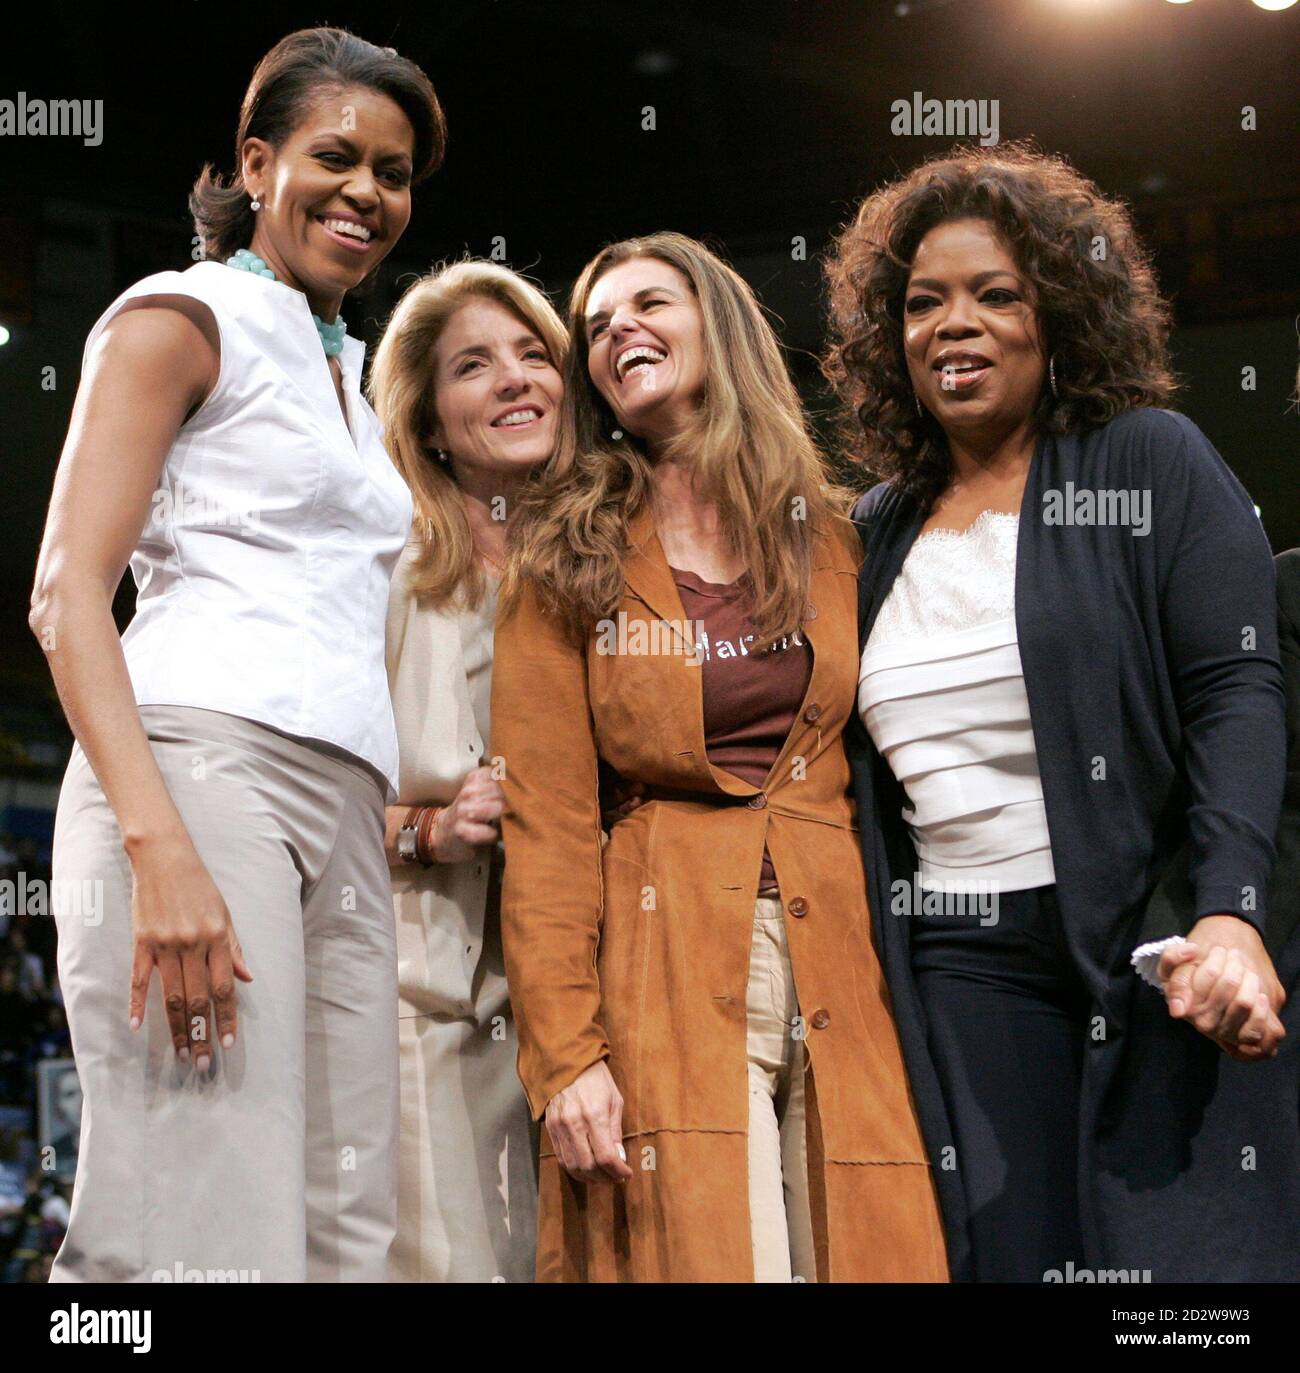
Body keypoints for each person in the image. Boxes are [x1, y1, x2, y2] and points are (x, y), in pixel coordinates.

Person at [823, 143, 1295, 1281]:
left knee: (1188, 1271)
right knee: (1011, 1257)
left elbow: (1235, 683)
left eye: (996, 294)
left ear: (1059, 313)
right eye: (925, 302)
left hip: (1148, 933)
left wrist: (1231, 913)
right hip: (959, 961)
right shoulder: (873, 527)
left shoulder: (1150, 458)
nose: (955, 323)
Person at [30, 27, 446, 1281]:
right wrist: (161, 850)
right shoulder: (179, 317)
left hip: (345, 813)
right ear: (257, 165)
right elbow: (65, 598)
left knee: (343, 1229)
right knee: (195, 1225)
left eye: (393, 169)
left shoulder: (349, 374)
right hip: (200, 775)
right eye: (335, 155)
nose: (367, 190)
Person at [494, 231, 949, 1282]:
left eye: (650, 303)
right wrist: (565, 1057)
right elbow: (547, 822)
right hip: (666, 953)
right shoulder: (566, 551)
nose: (620, 332)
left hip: (843, 951)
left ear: (720, 326)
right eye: (598, 326)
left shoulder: (836, 537)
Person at [370, 261, 565, 1280]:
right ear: (430, 419)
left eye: (536, 355)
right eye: (475, 365)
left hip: (551, 1018)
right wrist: (427, 828)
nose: (516, 379)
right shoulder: (385, 558)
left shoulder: (591, 567)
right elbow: (292, 798)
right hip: (406, 1008)